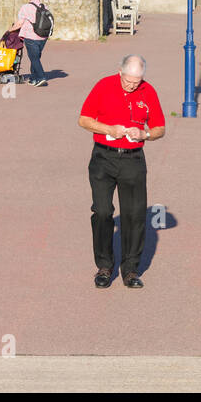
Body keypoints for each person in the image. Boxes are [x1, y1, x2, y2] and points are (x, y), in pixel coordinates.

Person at [78, 55, 166, 289]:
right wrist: (109, 128)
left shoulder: (149, 91)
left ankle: (131, 270)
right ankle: (104, 266)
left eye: (136, 82)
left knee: (134, 215)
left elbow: (160, 128)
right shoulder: (103, 85)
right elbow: (84, 120)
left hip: (133, 160)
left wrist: (145, 134)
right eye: (128, 81)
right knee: (102, 211)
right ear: (120, 72)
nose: (132, 86)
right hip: (103, 156)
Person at [8, 0, 50, 87]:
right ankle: (33, 78)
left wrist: (10, 30)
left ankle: (41, 77)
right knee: (35, 58)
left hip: (31, 37)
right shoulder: (44, 7)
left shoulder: (26, 7)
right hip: (43, 37)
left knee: (34, 58)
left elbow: (20, 23)